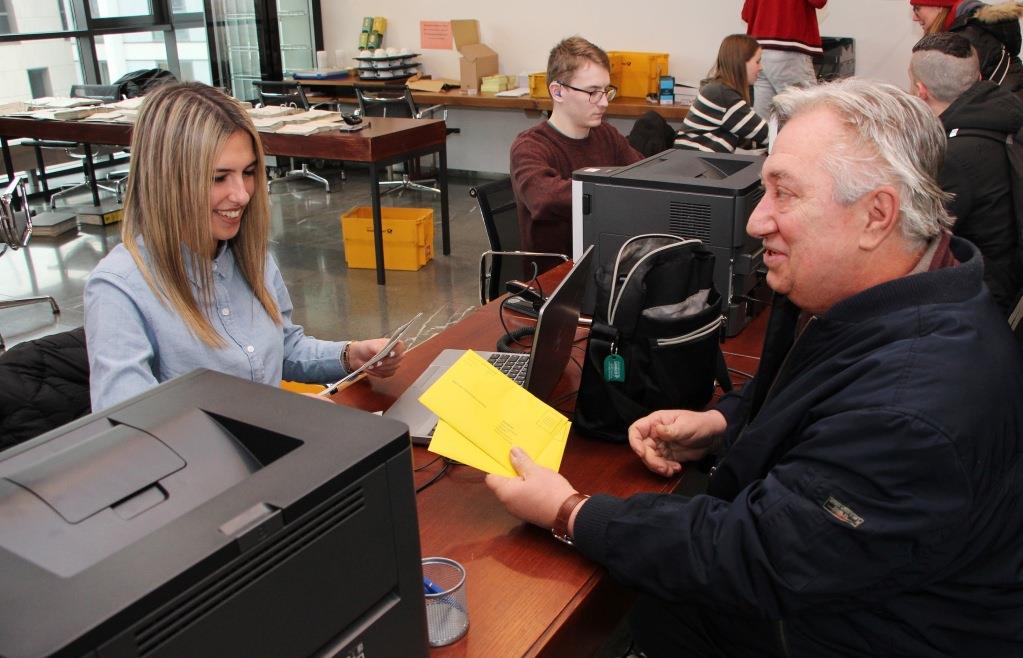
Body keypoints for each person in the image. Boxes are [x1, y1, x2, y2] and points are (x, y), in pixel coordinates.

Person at [487, 78, 1023, 656]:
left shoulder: (912, 409)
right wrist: (723, 424)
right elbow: (817, 394)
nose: (756, 221)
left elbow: (758, 557)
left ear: (876, 216)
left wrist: (571, 512)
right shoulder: (890, 291)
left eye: (784, 194)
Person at [85, 82, 405, 411]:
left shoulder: (247, 254)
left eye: (249, 172)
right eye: (218, 178)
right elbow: (132, 433)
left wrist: (350, 356)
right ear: (167, 180)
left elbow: (283, 349)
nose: (242, 195)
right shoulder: (118, 290)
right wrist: (272, 422)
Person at [911, 32, 1023, 312]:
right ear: (980, 79)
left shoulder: (953, 157)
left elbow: (913, 242)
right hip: (1007, 285)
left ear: (921, 91)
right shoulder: (1005, 121)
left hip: (975, 301)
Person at [509, 36, 642, 256]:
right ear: (558, 91)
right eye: (592, 92)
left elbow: (641, 175)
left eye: (606, 90)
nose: (604, 102)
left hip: (605, 259)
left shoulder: (606, 134)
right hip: (557, 276)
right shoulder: (529, 147)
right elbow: (544, 199)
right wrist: (615, 192)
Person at [674, 34, 770, 154]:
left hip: (697, 161)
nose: (761, 67)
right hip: (694, 165)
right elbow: (767, 135)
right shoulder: (723, 96)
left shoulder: (721, 90)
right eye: (757, 61)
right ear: (741, 62)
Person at [910, 0, 1023, 97]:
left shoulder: (965, 39)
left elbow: (950, 99)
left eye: (917, 8)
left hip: (1001, 113)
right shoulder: (972, 30)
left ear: (939, 6)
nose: (914, 17)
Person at [742, 0, 827, 118]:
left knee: (765, 121)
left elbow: (746, 14)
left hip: (759, 51)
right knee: (806, 113)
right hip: (788, 48)